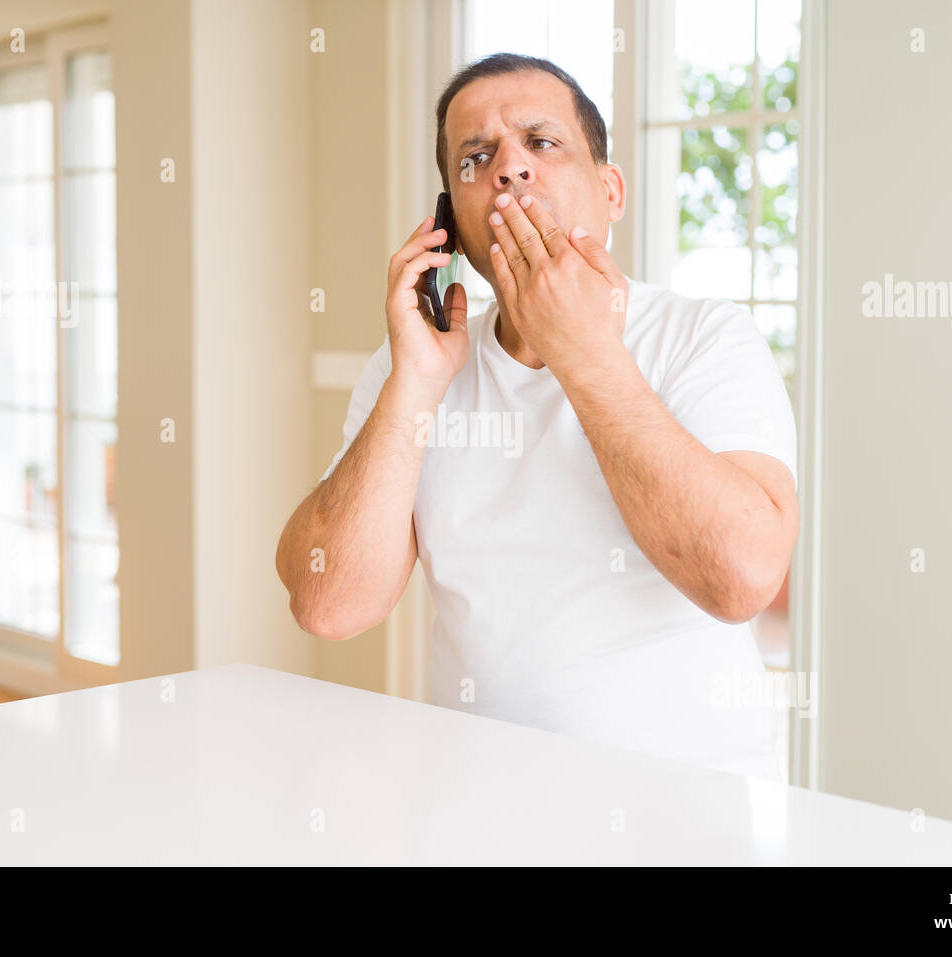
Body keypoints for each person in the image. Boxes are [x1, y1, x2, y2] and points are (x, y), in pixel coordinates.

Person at [276, 53, 799, 782]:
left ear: (611, 190)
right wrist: (416, 384)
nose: (509, 168)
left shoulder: (705, 338)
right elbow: (328, 602)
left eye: (542, 142)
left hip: (688, 817)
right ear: (448, 226)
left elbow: (743, 578)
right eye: (476, 157)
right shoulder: (416, 368)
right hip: (477, 807)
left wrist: (584, 353)